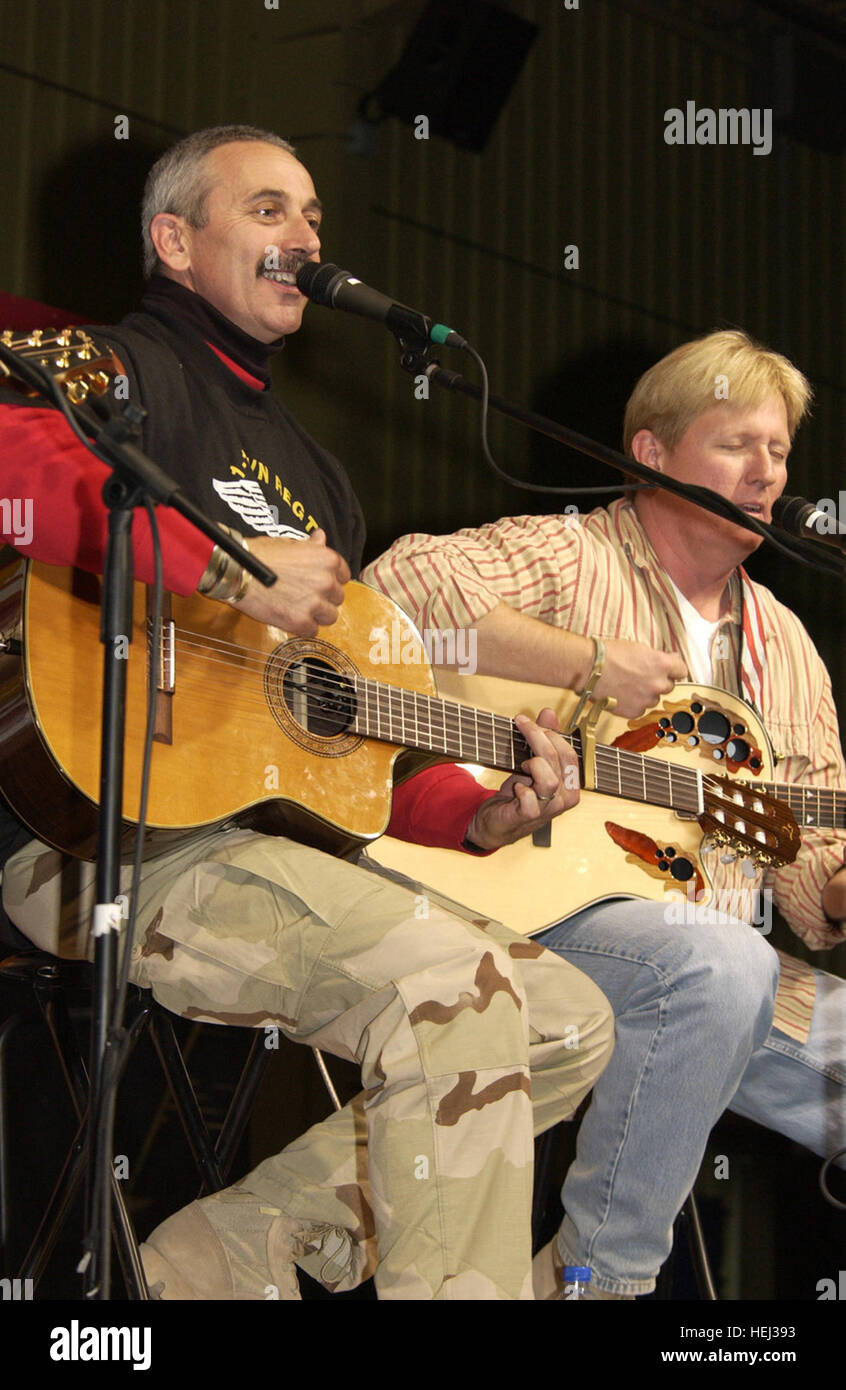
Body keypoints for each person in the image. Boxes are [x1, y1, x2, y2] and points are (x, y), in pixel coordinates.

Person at [0, 125, 614, 1301]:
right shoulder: (110, 367)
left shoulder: (319, 477)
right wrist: (227, 568)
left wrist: (484, 819)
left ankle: (226, 1253)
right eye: (270, 210)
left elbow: (348, 739)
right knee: (457, 987)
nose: (308, 239)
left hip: (249, 841)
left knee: (569, 1017)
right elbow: (14, 472)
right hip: (84, 840)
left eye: (315, 217)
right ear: (174, 241)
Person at [364, 329, 846, 1299]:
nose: (765, 473)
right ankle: (597, 1284)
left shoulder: (786, 644)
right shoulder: (570, 553)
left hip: (736, 969)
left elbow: (809, 873)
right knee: (720, 964)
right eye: (736, 444)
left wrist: (835, 882)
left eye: (781, 451)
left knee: (735, 964)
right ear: (651, 453)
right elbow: (396, 593)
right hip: (532, 924)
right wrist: (584, 666)